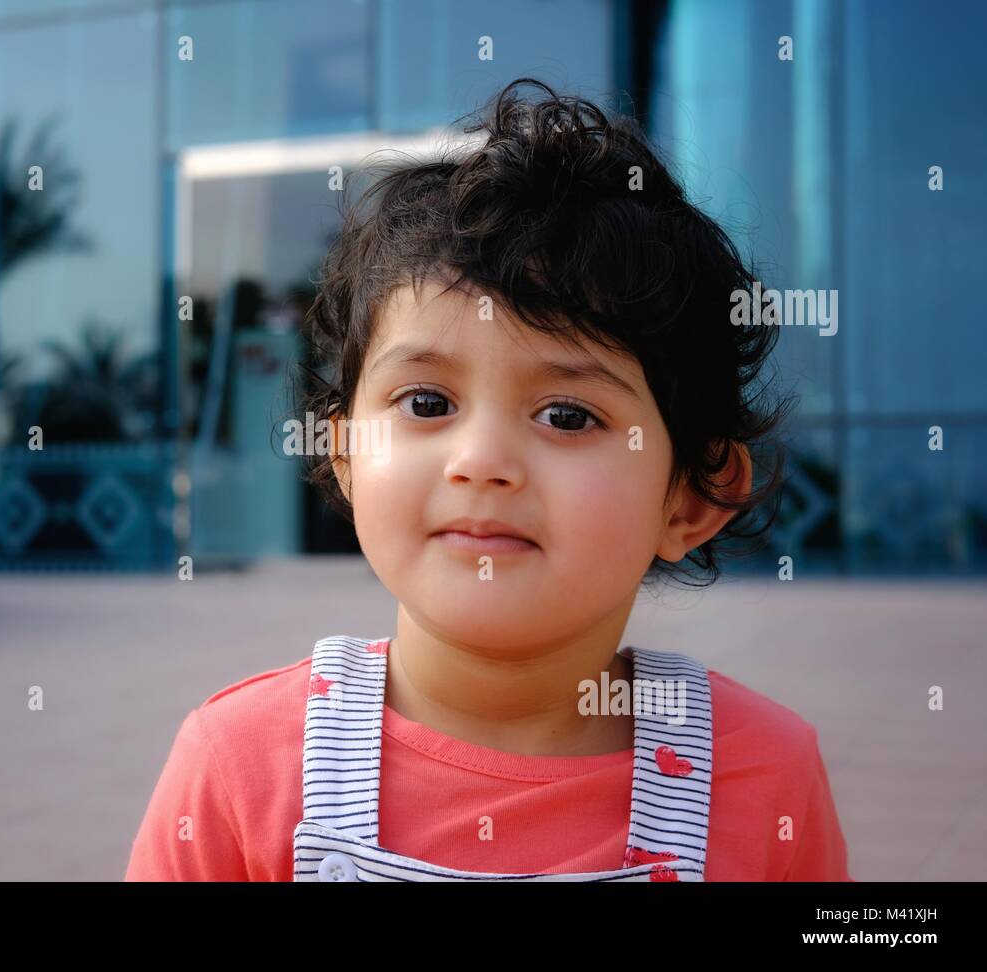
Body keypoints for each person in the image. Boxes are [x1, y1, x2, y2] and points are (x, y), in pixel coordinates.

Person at [125, 78, 850, 882]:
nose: (482, 461)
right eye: (427, 402)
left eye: (568, 417)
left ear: (690, 496)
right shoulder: (240, 767)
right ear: (346, 453)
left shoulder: (760, 777)